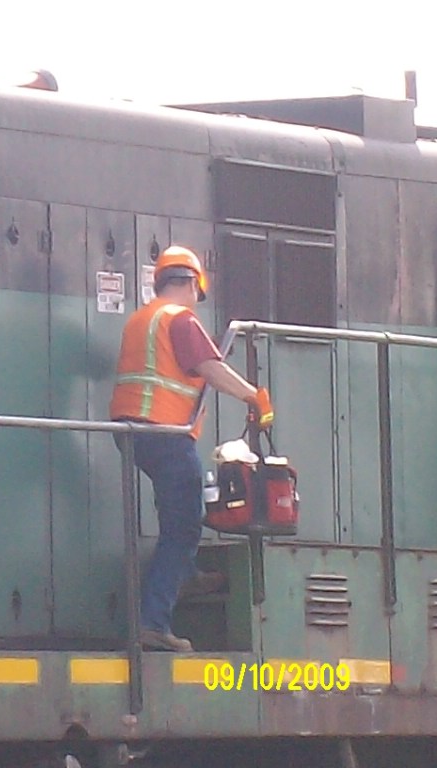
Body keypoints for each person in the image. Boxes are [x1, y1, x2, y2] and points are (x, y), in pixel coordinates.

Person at [110, 245, 273, 652]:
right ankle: (154, 620)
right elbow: (210, 368)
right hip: (165, 432)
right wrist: (255, 396)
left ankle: (185, 572)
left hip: (132, 431)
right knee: (184, 524)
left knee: (178, 512)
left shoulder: (140, 319)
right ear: (194, 284)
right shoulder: (180, 319)